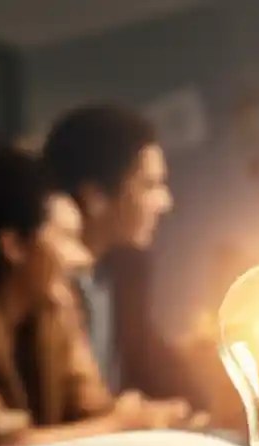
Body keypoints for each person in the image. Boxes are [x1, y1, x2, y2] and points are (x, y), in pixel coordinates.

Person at [0, 135, 204, 446]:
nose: (81, 258)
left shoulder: (52, 313)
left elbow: (94, 408)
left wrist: (139, 418)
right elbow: (1, 443)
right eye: (64, 238)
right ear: (13, 246)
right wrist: (122, 423)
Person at [42, 105, 204, 409]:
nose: (165, 202)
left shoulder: (125, 270)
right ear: (95, 196)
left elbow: (158, 366)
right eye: (150, 185)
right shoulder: (40, 280)